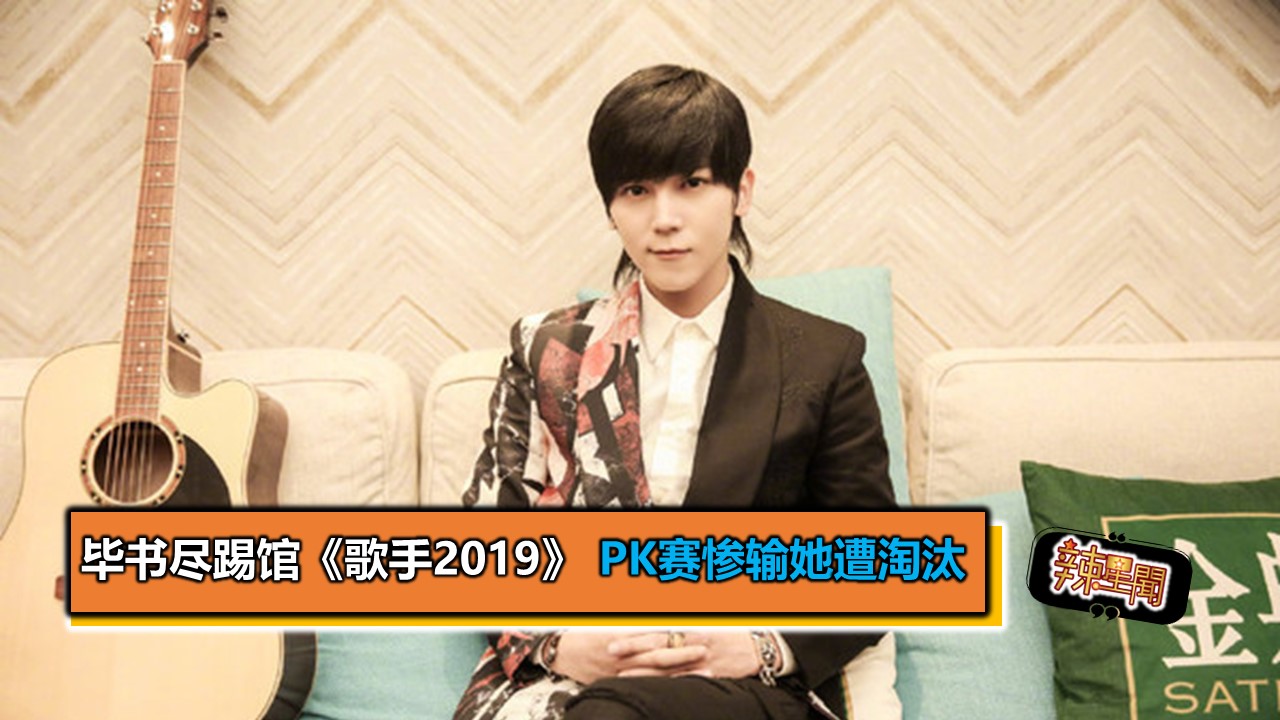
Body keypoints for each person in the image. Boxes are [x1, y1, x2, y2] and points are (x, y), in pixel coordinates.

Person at [456, 64, 895, 720]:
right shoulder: (547, 351)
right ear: (610, 207)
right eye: (637, 190)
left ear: (741, 191)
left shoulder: (823, 359)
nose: (664, 220)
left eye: (692, 184)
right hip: (569, 683)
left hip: (744, 690)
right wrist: (563, 644)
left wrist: (759, 647)